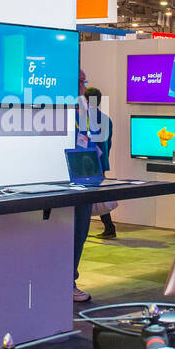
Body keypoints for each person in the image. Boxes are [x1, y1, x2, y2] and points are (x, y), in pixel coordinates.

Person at [84, 86, 117, 239]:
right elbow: (108, 143)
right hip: (101, 162)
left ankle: (108, 227)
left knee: (90, 196)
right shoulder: (106, 119)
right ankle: (109, 227)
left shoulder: (84, 119)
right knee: (97, 196)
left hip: (87, 163)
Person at [73, 71, 95, 303]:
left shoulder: (84, 106)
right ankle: (67, 280)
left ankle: (70, 279)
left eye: (85, 82)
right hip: (67, 176)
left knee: (80, 232)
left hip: (84, 176)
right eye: (81, 81)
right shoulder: (60, 105)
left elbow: (90, 137)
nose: (84, 85)